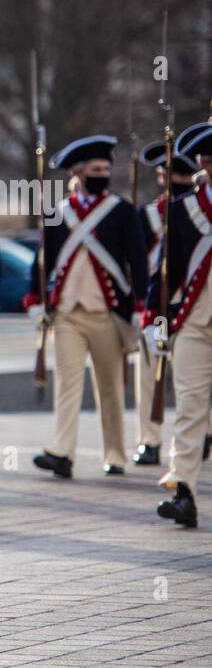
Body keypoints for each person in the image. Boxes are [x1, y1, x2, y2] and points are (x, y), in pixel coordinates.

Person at [25, 135, 147, 479]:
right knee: (67, 383)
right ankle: (62, 452)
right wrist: (35, 300)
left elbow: (137, 261)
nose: (102, 174)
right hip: (67, 313)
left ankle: (115, 454)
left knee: (109, 387)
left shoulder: (122, 211)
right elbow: (42, 261)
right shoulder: (57, 212)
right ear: (77, 173)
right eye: (95, 169)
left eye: (106, 169)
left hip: (107, 313)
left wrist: (140, 305)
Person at [150, 122, 212, 527]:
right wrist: (158, 321)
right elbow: (165, 273)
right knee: (189, 407)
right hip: (193, 320)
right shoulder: (181, 209)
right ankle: (183, 490)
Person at [133, 141, 200, 465]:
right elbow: (134, 262)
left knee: (196, 378)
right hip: (157, 302)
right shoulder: (146, 217)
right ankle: (149, 438)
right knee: (149, 374)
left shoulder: (195, 212)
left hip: (193, 302)